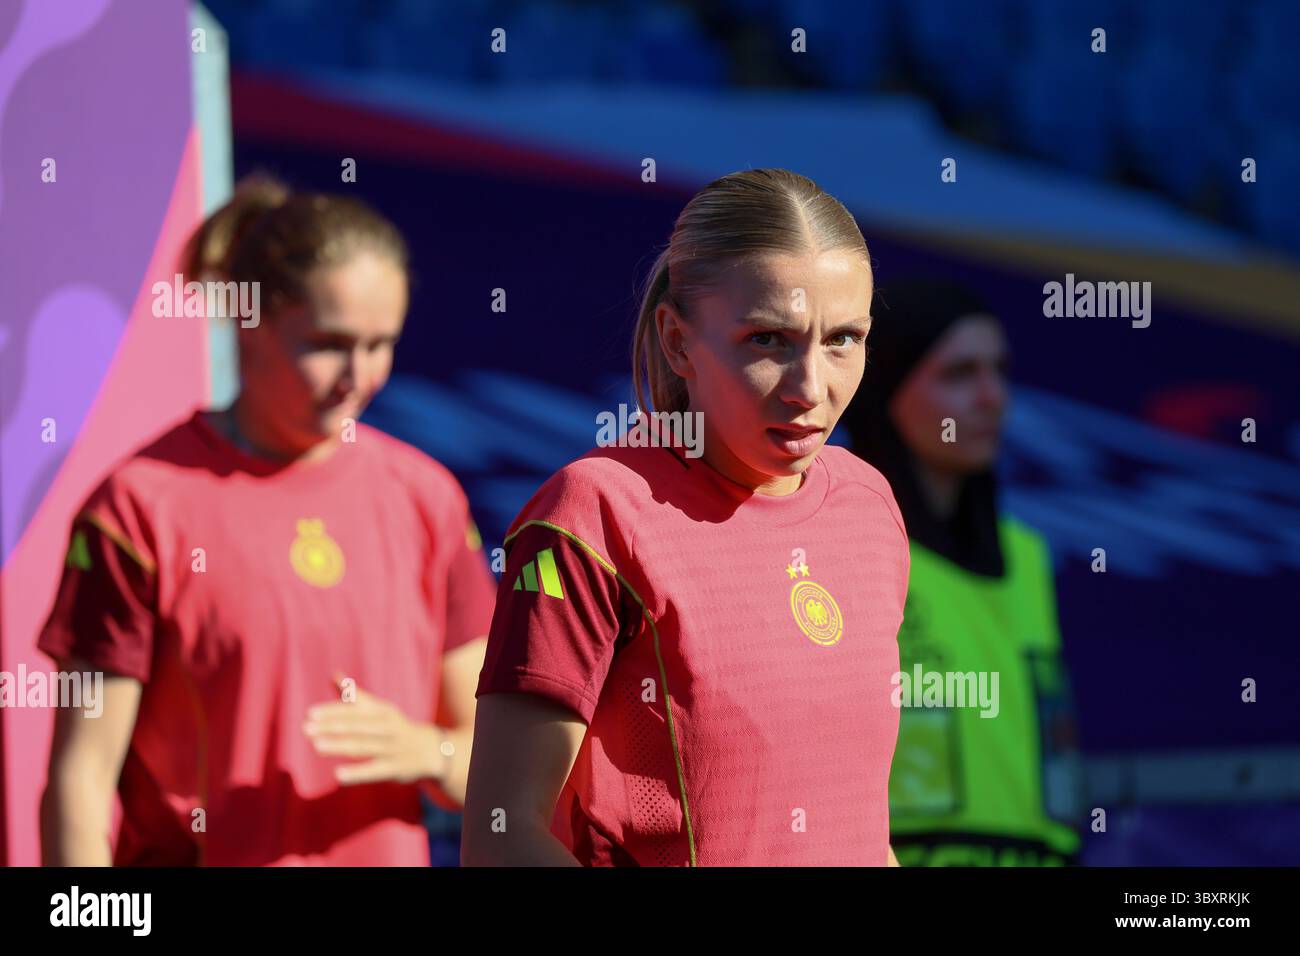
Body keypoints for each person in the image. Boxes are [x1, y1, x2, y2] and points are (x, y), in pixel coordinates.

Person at [38, 176, 497, 866]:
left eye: (381, 344)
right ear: (246, 319)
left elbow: (500, 768)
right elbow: (80, 780)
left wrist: (424, 749)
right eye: (329, 342)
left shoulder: (426, 497)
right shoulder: (137, 507)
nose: (358, 375)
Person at [462, 168, 908, 866]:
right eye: (768, 340)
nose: (810, 388)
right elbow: (500, 834)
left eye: (843, 339)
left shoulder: (869, 505)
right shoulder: (592, 513)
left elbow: (860, 832)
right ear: (677, 341)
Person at [842, 279, 1084, 866]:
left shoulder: (1025, 555)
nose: (991, 397)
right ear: (889, 388)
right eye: (959, 373)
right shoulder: (841, 543)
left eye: (999, 370)